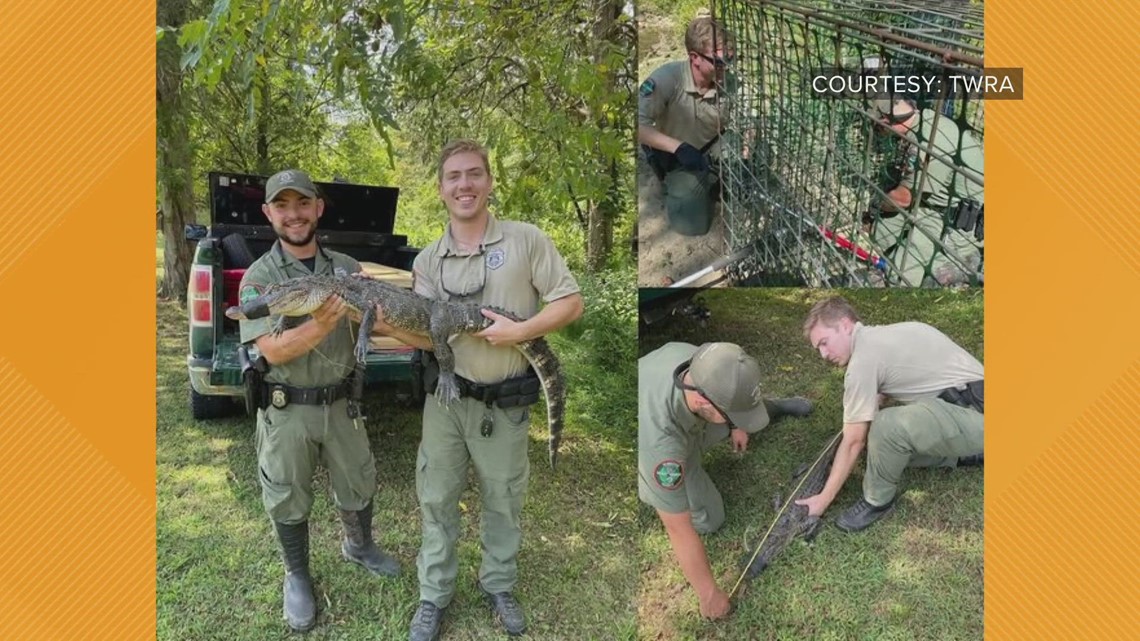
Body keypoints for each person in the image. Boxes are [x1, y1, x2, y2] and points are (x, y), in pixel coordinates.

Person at [368, 139, 584, 640]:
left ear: (488, 182)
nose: (463, 185)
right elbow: (426, 336)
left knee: (502, 499)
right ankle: (433, 595)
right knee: (436, 498)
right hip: (445, 401)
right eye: (453, 177)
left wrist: (519, 332)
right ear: (441, 189)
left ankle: (499, 584)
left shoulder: (526, 240)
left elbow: (570, 303)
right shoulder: (426, 262)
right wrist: (385, 324)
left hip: (503, 402)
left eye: (473, 174)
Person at [236, 169, 400, 632]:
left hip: (344, 404)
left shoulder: (346, 268)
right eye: (282, 206)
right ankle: (298, 574)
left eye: (302, 203)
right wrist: (323, 324)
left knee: (358, 481)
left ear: (318, 208)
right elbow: (270, 350)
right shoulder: (260, 279)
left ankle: (360, 545)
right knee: (288, 496)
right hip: (287, 408)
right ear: (269, 213)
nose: (294, 214)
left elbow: (380, 321)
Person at [638, 341, 813, 619]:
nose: (739, 420)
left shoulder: (710, 364)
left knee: (736, 413)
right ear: (703, 400)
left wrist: (736, 424)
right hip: (668, 438)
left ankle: (772, 406)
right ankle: (648, 485)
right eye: (733, 414)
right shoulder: (662, 447)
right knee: (710, 518)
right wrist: (708, 594)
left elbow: (729, 398)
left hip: (696, 418)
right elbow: (678, 529)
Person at [796, 296, 984, 532]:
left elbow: (854, 440)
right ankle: (969, 455)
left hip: (976, 418)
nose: (823, 354)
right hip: (976, 409)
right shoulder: (897, 332)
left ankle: (877, 501)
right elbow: (903, 377)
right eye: (818, 349)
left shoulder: (862, 362)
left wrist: (823, 500)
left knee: (886, 427)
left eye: (824, 342)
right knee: (882, 450)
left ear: (845, 325)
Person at [866, 98, 985, 287]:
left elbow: (903, 199)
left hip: (957, 221)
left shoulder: (927, 144)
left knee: (903, 272)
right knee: (882, 231)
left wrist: (876, 204)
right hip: (933, 201)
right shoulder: (923, 119)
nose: (878, 131)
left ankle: (964, 261)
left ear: (888, 121)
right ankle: (883, 261)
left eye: (878, 125)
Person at [638, 14, 734, 236]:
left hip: (714, 144)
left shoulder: (729, 80)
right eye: (720, 62)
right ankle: (668, 178)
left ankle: (717, 180)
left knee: (747, 171)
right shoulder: (666, 79)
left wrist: (746, 149)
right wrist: (679, 148)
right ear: (695, 58)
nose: (727, 68)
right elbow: (638, 124)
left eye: (731, 59)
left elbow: (747, 119)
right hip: (677, 154)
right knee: (694, 226)